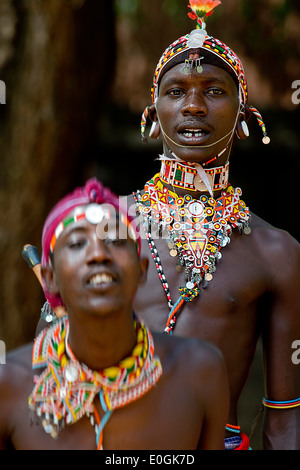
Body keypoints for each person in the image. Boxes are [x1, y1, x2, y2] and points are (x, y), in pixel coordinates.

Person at [128, 0, 300, 450]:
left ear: (245, 119)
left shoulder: (275, 252)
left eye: (215, 91)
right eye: (177, 91)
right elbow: (48, 386)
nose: (195, 106)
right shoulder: (104, 227)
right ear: (153, 115)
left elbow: (285, 422)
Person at [0, 178, 229, 450]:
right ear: (50, 279)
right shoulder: (9, 384)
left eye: (116, 241)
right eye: (76, 244)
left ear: (142, 270)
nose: (98, 254)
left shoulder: (199, 371)